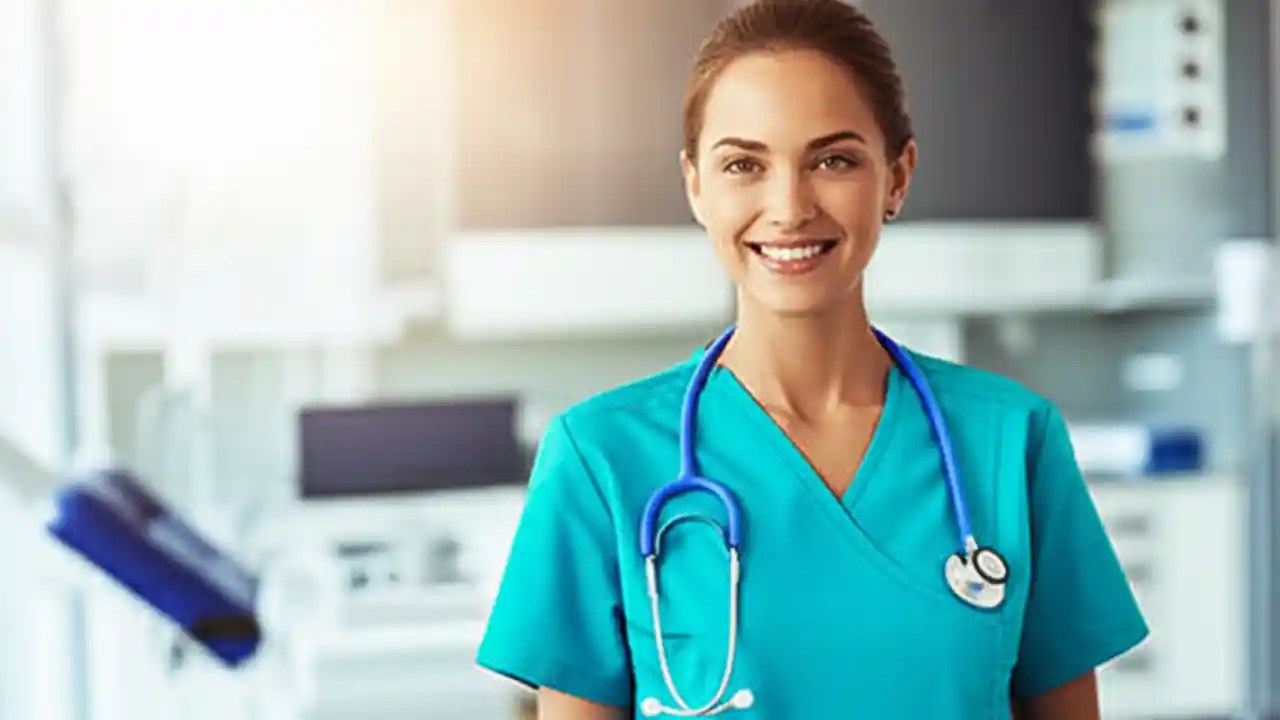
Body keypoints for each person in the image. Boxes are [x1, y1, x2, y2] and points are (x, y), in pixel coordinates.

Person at [476, 0, 1149, 717]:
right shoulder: (601, 459)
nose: (790, 206)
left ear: (896, 177)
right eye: (743, 164)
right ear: (696, 185)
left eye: (833, 160)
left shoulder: (1010, 442)